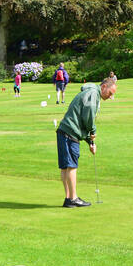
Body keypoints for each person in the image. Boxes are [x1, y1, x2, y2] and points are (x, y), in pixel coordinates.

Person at [55, 75, 117, 208]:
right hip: (70, 132)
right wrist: (93, 132)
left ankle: (68, 198)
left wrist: (90, 142)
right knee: (71, 166)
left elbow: (84, 120)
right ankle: (73, 198)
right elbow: (88, 118)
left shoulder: (90, 92)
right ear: (104, 86)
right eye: (110, 93)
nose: (110, 97)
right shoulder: (93, 93)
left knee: (65, 167)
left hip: (64, 130)